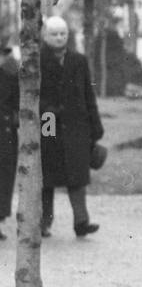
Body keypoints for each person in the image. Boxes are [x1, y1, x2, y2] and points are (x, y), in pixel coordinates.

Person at [39, 16, 103, 238]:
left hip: (76, 126)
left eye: (63, 33)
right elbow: (33, 96)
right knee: (46, 176)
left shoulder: (78, 61)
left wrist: (96, 127)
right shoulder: (37, 61)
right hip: (49, 124)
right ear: (45, 36)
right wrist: (48, 117)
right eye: (54, 34)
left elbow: (88, 94)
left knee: (77, 176)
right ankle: (44, 222)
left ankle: (81, 221)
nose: (59, 38)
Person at [0, 35, 17, 241]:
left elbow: (18, 105)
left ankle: (1, 220)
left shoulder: (11, 76)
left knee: (4, 176)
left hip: (5, 133)